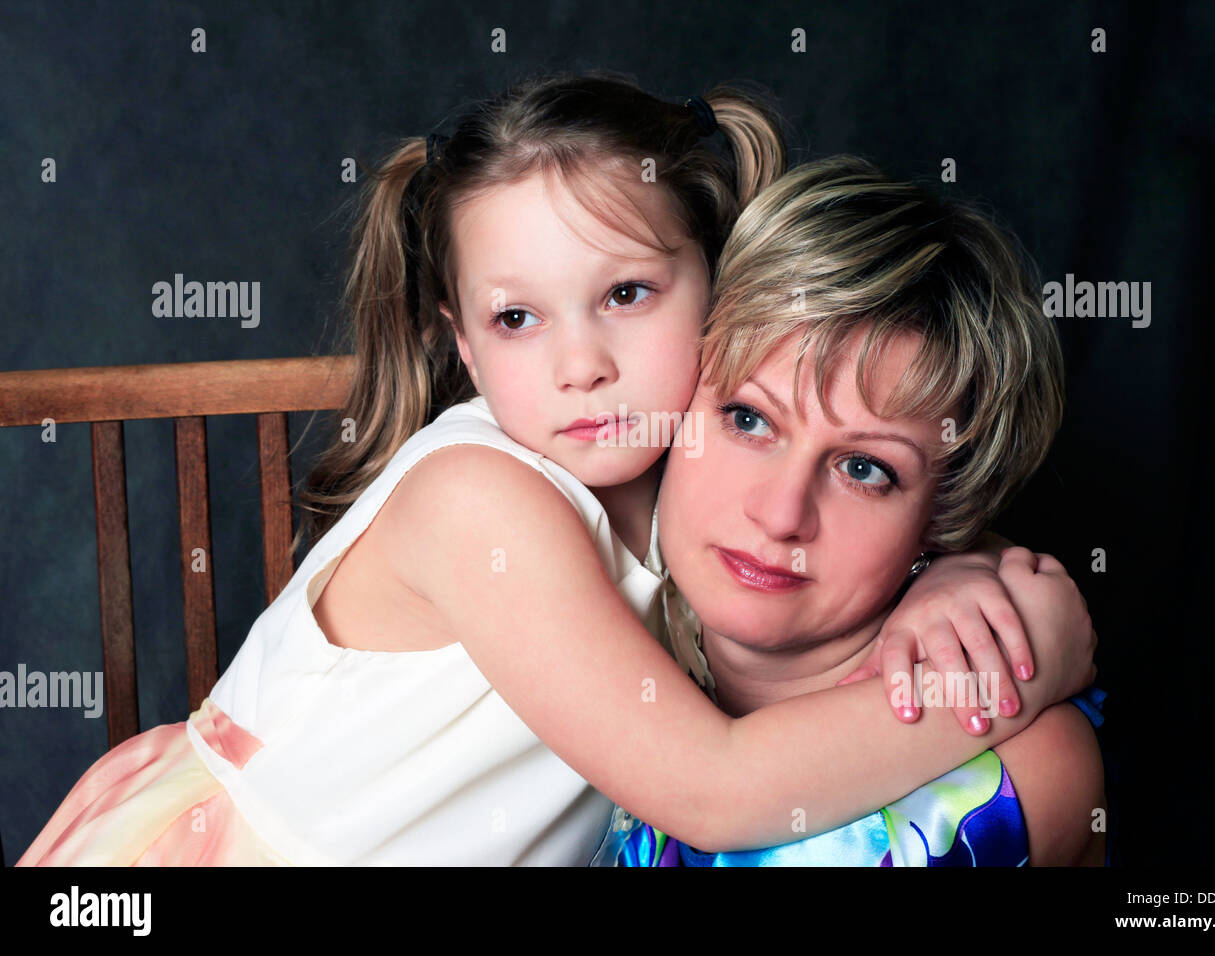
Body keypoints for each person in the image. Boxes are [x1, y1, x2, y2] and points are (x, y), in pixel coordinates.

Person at [18, 73, 1094, 867]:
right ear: (467, 347)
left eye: (626, 295)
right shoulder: (479, 497)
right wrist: (1031, 665)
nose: (582, 365)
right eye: (517, 316)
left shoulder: (690, 437)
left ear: (717, 290)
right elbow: (713, 794)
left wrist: (974, 581)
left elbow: (877, 473)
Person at [608, 156, 1106, 866]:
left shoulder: (1012, 777)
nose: (782, 515)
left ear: (946, 512)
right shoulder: (592, 625)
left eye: (864, 469)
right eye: (749, 420)